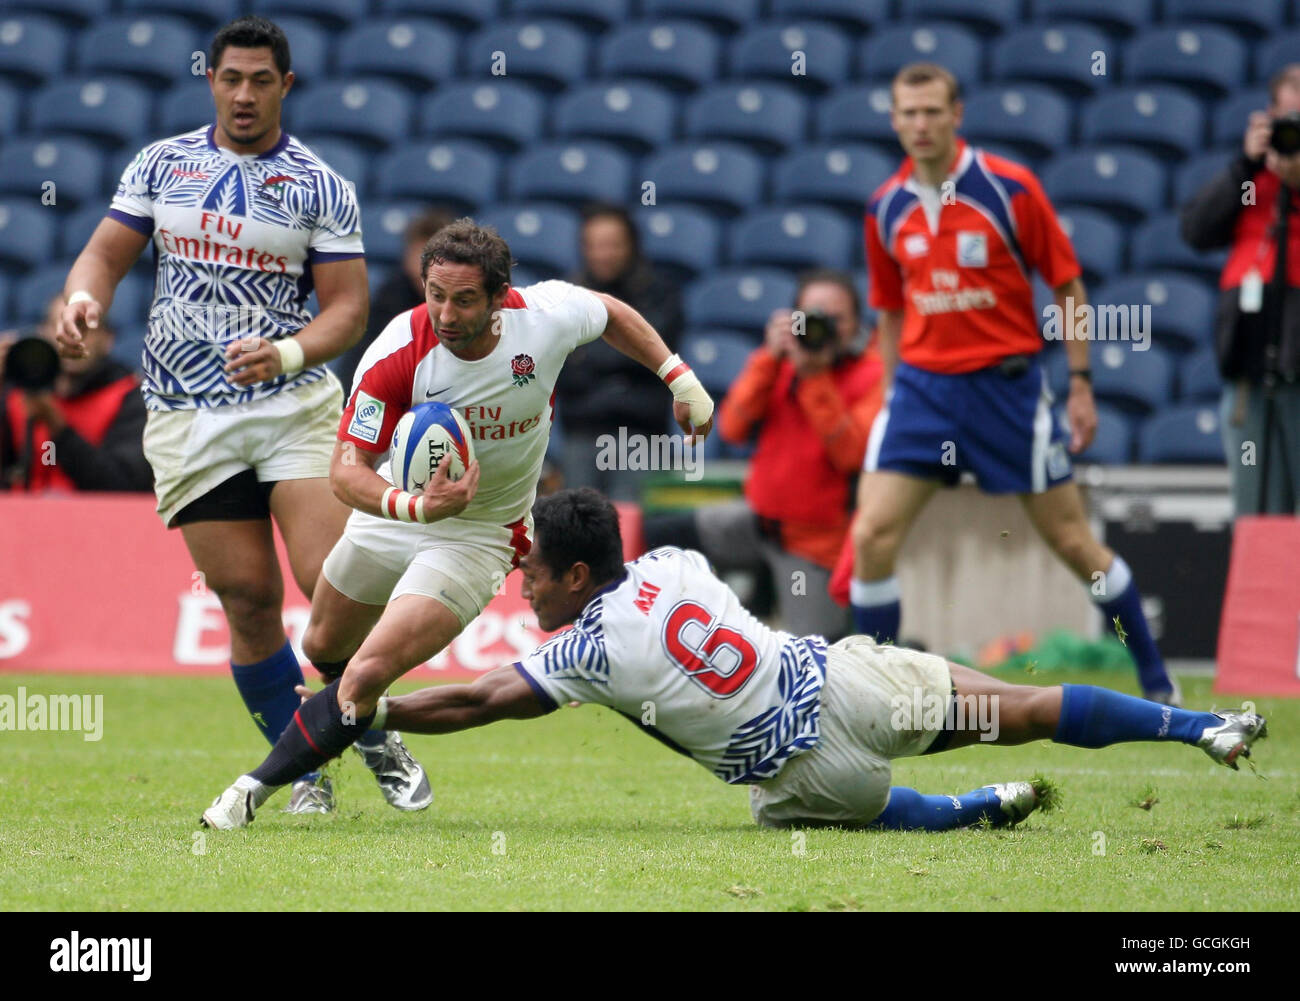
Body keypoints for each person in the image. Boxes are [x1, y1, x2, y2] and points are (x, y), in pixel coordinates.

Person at [200, 488, 1268, 831]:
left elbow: (480, 699)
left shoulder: (581, 651)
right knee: (1028, 702)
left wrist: (374, 704)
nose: (520, 584)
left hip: (814, 769)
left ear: (574, 576)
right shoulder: (667, 558)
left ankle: (965, 808)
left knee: (837, 808)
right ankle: (1198, 725)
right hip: (850, 683)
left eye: (533, 572)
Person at [214, 218, 715, 825]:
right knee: (323, 647)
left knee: (367, 671)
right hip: (399, 510)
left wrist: (677, 377)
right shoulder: (398, 352)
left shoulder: (546, 316)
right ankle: (375, 737)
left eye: (465, 299)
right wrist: (418, 506)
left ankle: (253, 793)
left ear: (500, 297)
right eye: (435, 294)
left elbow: (610, 312)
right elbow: (347, 474)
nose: (445, 314)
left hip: (482, 532)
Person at [53, 15, 421, 815]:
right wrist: (82, 298)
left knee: (327, 581)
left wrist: (288, 352)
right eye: (231, 78)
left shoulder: (321, 185)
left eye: (261, 80)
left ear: (285, 86)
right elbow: (106, 255)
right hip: (186, 414)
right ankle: (306, 768)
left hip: (292, 404)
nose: (245, 94)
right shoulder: (162, 164)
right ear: (209, 80)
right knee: (248, 598)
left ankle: (370, 723)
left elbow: (347, 308)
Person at [836, 62, 1182, 705]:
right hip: (921, 391)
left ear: (956, 114)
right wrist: (889, 393)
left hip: (1008, 392)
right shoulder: (885, 207)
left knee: (1073, 542)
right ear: (893, 120)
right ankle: (873, 699)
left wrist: (1080, 382)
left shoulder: (1010, 189)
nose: (920, 124)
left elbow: (1069, 284)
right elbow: (888, 309)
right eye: (907, 113)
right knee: (870, 537)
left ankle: (1156, 677)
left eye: (932, 111)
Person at [643, 269, 884, 640]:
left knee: (820, 659)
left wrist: (816, 379)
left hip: (816, 545)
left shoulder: (873, 374)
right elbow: (731, 429)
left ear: (856, 324)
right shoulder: (778, 363)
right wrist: (769, 360)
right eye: (812, 318)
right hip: (758, 522)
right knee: (653, 537)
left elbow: (851, 455)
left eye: (836, 319)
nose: (824, 329)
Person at [1181, 64, 1300, 516]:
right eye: (1287, 123)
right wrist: (1245, 168)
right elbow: (1196, 230)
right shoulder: (1250, 183)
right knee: (1256, 512)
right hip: (1250, 368)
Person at [555, 203, 684, 501]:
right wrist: (627, 358)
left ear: (631, 245)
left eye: (613, 245)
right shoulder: (566, 296)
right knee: (576, 524)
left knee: (630, 528)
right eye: (595, 245)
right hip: (581, 433)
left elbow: (657, 358)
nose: (604, 254)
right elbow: (565, 370)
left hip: (642, 435)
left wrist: (591, 353)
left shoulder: (661, 293)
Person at [1, 296, 151, 492]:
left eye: (84, 327)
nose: (72, 337)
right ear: (42, 333)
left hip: (96, 519)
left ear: (108, 338)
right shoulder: (16, 394)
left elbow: (124, 486)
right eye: (60, 326)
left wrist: (57, 426)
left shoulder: (129, 398)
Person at [332, 207, 453, 394]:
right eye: (420, 255)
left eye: (437, 258)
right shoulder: (390, 297)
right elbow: (360, 363)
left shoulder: (470, 303)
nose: (426, 267)